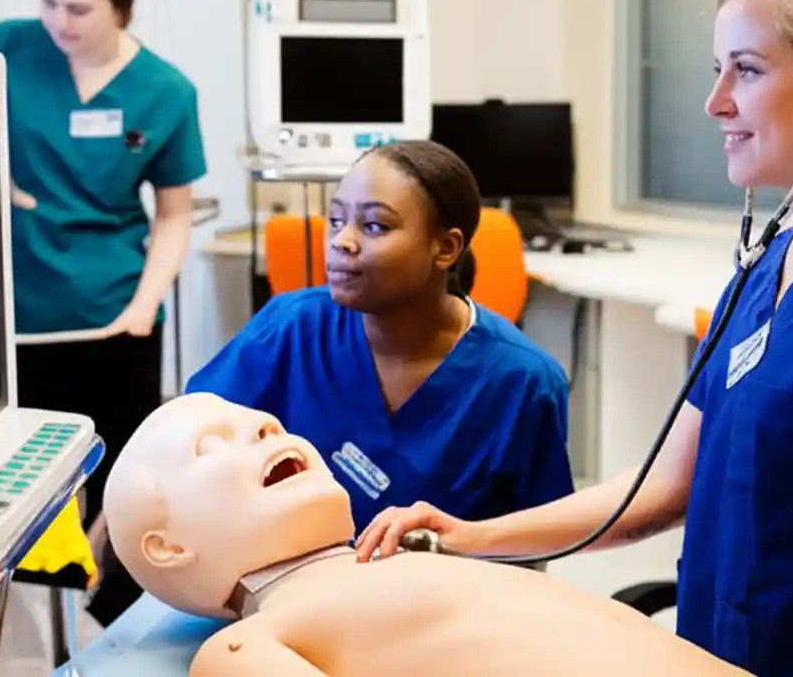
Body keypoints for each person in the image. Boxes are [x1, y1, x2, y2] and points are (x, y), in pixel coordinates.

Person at [355, 0, 793, 675]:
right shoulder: (772, 262)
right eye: (716, 70)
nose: (715, 102)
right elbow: (665, 487)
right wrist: (467, 536)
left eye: (748, 70)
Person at [99, 391, 750, 676]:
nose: (264, 428)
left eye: (263, 422)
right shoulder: (243, 646)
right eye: (211, 446)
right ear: (168, 548)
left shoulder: (398, 561)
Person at [186, 140, 574, 534]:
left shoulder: (521, 382)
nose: (341, 241)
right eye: (336, 220)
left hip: (441, 575)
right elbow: (190, 441)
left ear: (446, 248)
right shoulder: (292, 327)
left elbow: (537, 536)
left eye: (374, 226)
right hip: (292, 567)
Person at [0, 0, 205, 624]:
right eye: (47, 2)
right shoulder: (7, 46)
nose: (58, 21)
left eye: (78, 9)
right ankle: (41, 629)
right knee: (29, 496)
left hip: (113, 320)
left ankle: (117, 631)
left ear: (122, 7)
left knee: (123, 490)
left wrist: (143, 307)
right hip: (18, 319)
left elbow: (175, 216)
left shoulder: (165, 90)